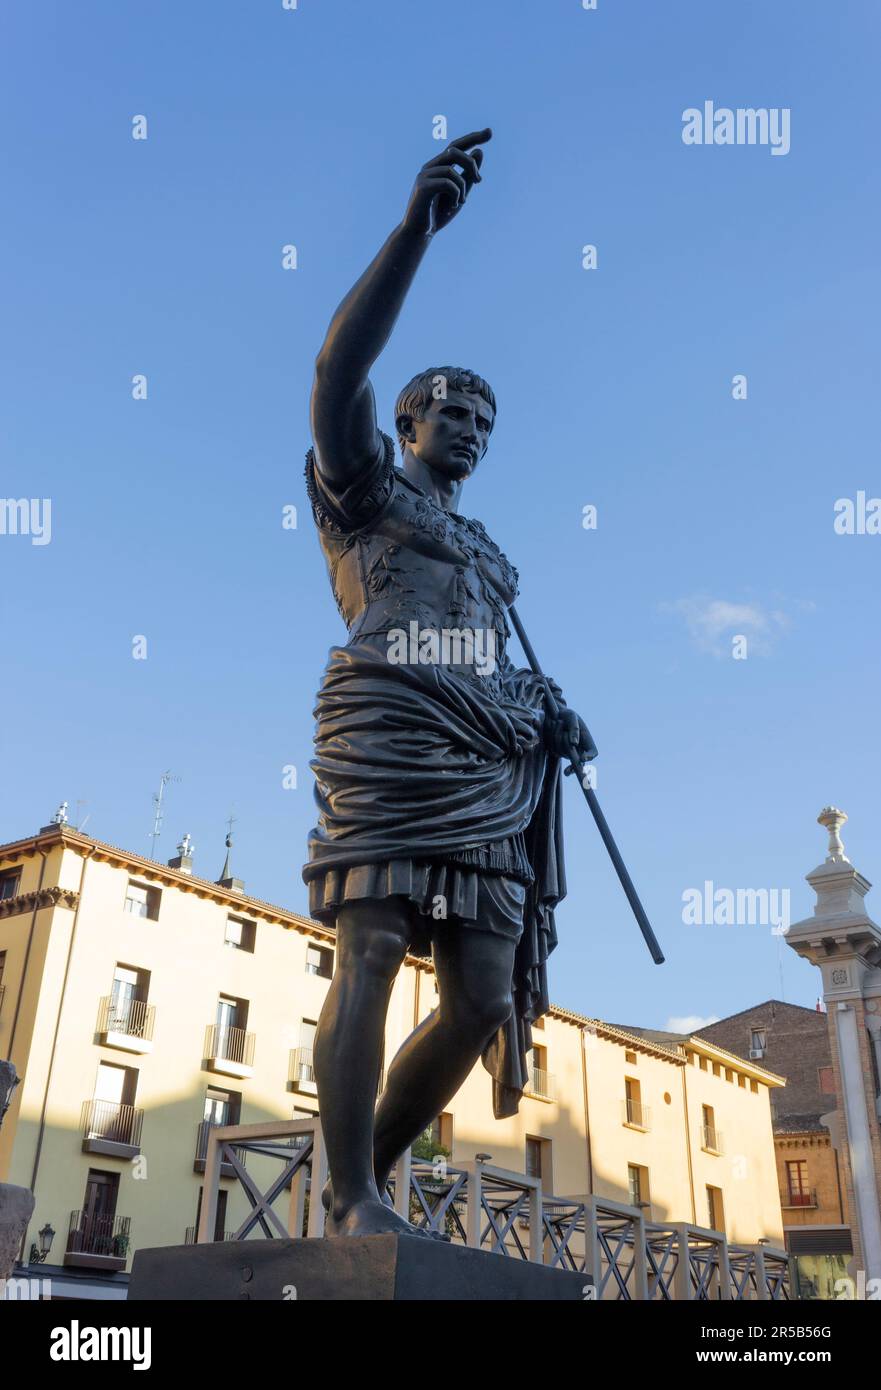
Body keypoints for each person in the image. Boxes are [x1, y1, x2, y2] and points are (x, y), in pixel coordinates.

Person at [303, 129, 596, 1238]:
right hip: (391, 724)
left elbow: (506, 664)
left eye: (484, 420)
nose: (467, 428)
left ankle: (361, 1177)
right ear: (409, 420)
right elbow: (336, 370)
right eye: (449, 411)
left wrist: (548, 714)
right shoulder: (365, 490)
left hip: (488, 756)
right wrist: (412, 231)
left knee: (477, 998)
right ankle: (350, 1194)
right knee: (373, 945)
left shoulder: (489, 555)